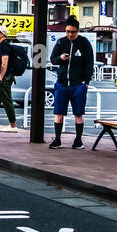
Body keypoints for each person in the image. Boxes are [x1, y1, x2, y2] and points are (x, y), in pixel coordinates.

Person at [49, 16, 95, 149]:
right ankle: (57, 139)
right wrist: (60, 58)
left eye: (73, 32)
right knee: (58, 113)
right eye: (68, 31)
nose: (70, 34)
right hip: (62, 84)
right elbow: (52, 60)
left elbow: (89, 64)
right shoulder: (60, 42)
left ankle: (78, 140)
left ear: (78, 30)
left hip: (78, 85)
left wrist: (86, 82)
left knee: (78, 114)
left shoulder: (84, 43)